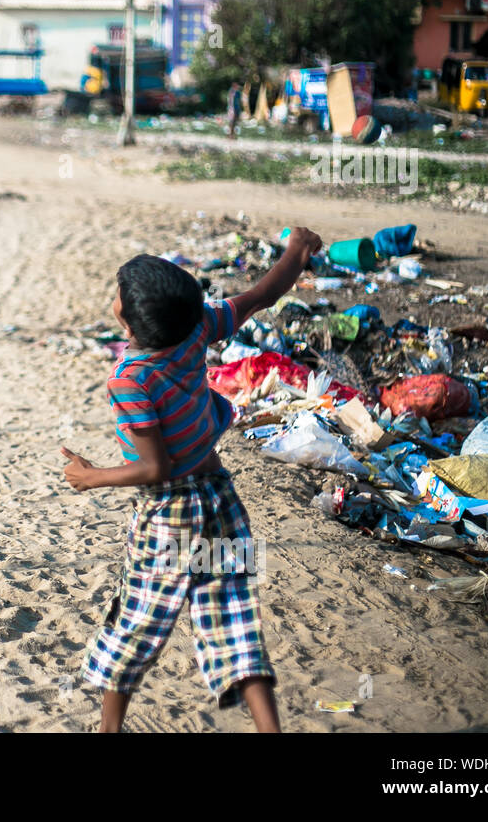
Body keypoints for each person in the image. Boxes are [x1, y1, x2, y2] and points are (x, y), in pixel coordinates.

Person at [60, 227, 324, 733]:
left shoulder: (129, 379)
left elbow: (155, 468)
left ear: (126, 317)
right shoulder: (197, 327)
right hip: (220, 498)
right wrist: (296, 251)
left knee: (135, 623)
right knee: (233, 622)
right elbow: (262, 295)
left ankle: (108, 731)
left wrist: (92, 477)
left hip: (171, 514)